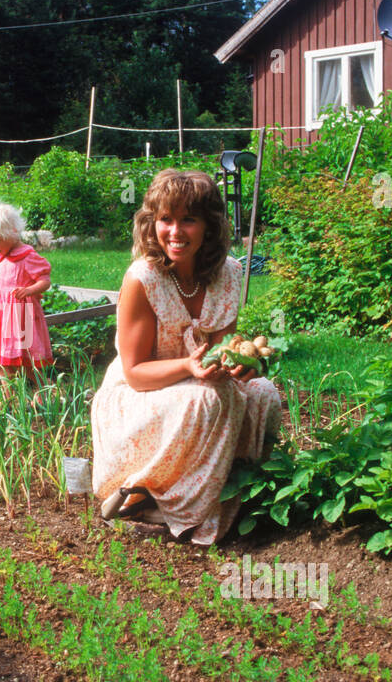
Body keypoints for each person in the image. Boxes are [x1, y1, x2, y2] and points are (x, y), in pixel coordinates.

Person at [91, 169, 282, 545]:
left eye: (188, 220)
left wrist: (239, 365)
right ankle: (164, 503)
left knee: (263, 393)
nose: (175, 232)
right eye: (166, 219)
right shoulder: (143, 279)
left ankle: (238, 491)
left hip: (196, 381)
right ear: (152, 223)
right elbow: (135, 373)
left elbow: (224, 349)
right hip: (137, 395)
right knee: (211, 398)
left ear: (209, 226)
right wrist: (186, 366)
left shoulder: (228, 273)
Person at [0, 203, 53, 389]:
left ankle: (46, 390)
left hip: (22, 317)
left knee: (28, 362)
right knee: (4, 361)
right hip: (4, 317)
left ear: (11, 234)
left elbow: (45, 280)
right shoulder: (4, 256)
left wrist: (30, 290)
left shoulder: (27, 255)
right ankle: (9, 401)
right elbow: (6, 283)